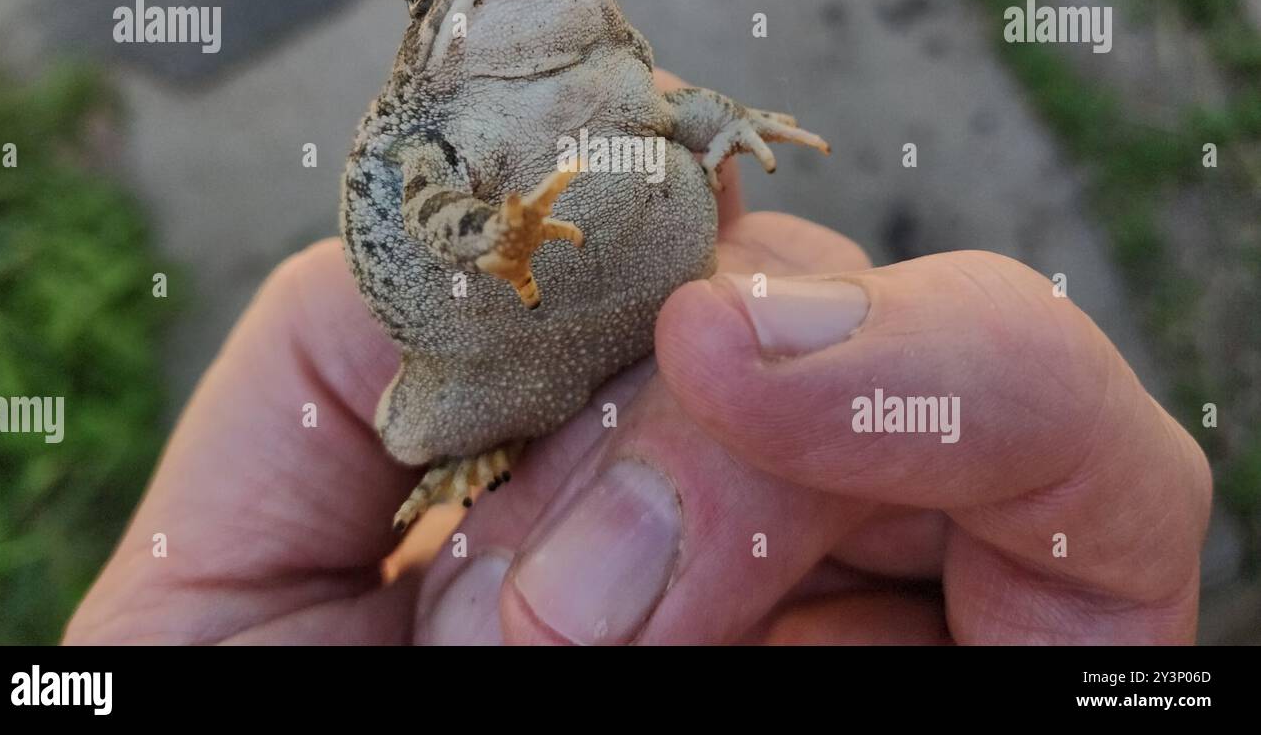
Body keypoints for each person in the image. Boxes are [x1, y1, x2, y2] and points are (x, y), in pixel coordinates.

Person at [64, 86, 1210, 646]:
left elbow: (657, 103)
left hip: (613, 334)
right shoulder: (439, 120)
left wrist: (718, 120)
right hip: (490, 361)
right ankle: (483, 463)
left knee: (734, 347)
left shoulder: (586, 73)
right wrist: (498, 242)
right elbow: (420, 201)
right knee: (696, 369)